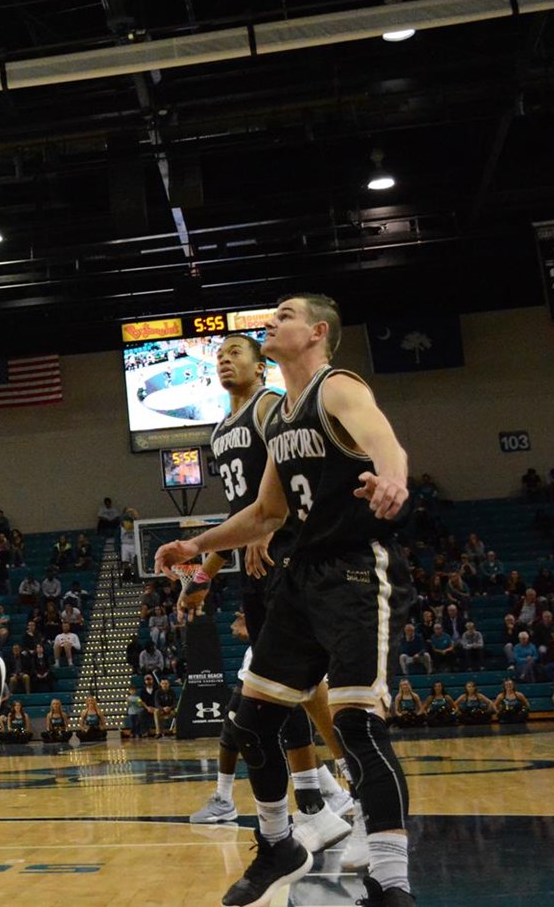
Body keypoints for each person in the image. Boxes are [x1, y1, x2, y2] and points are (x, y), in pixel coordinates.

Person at [157, 295, 418, 907]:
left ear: (317, 332)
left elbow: (386, 442)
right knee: (252, 721)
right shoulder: (279, 420)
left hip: (356, 571)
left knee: (357, 724)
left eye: (285, 314)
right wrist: (196, 544)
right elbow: (267, 512)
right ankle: (278, 843)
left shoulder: (336, 387)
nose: (271, 321)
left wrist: (393, 480)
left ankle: (391, 883)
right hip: (300, 578)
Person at [179, 335, 352, 854]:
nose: (225, 359)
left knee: (302, 685)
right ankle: (318, 803)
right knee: (279, 690)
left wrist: (264, 532)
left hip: (288, 552)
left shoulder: (269, 407)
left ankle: (346, 782)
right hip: (255, 562)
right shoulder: (220, 430)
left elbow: (287, 485)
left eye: (236, 352)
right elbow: (241, 516)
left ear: (260, 366)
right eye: (219, 356)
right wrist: (200, 581)